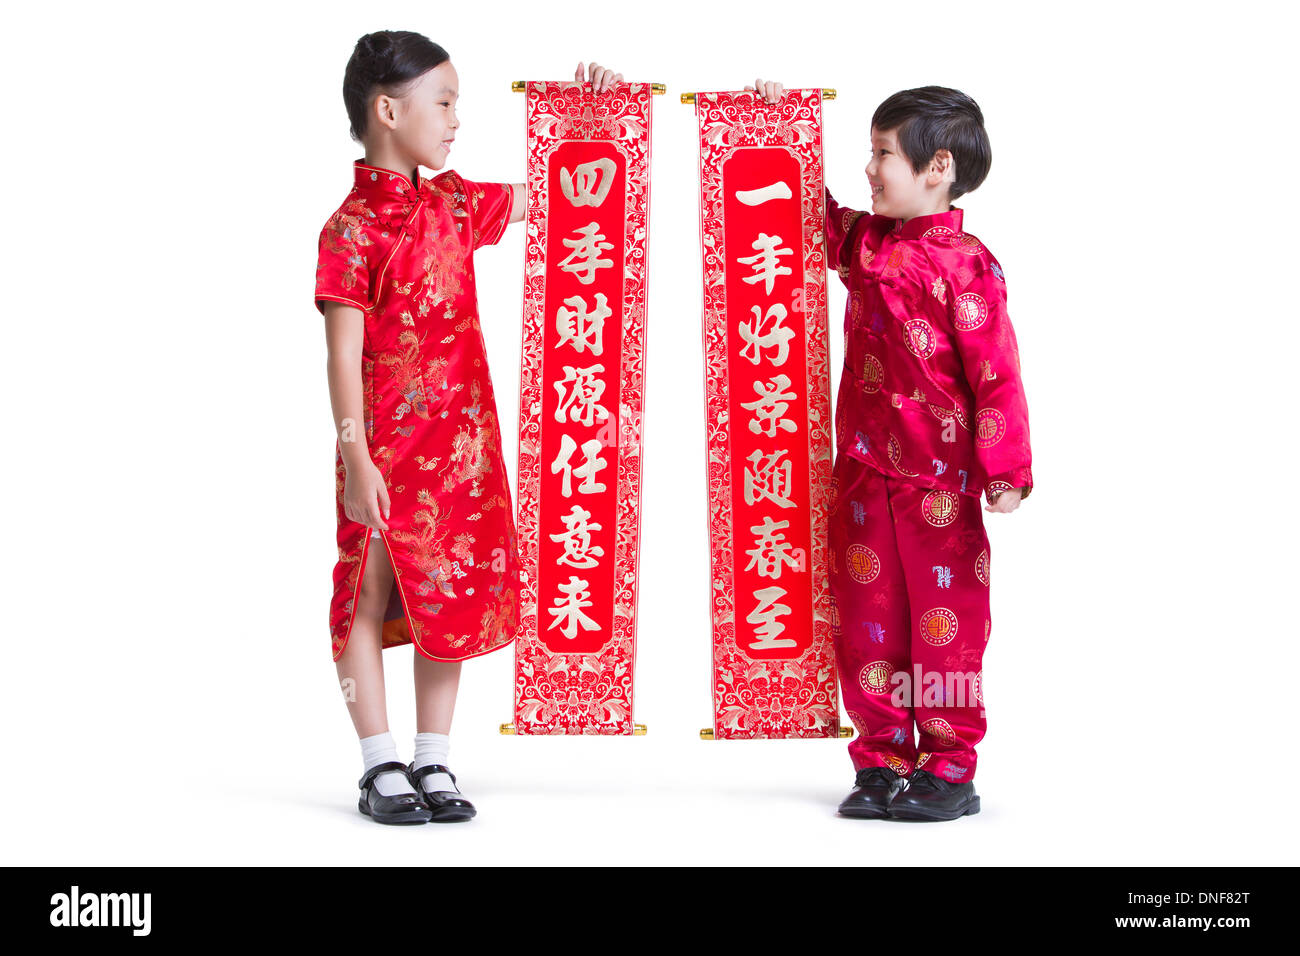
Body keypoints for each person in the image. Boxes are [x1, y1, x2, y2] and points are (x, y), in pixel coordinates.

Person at [315, 30, 623, 824]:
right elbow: (342, 357)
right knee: (371, 587)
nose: (455, 121)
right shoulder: (351, 230)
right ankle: (378, 761)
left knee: (444, 600)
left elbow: (561, 192)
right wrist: (356, 461)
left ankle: (434, 758)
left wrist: (593, 114)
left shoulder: (452, 202)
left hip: (463, 450)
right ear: (389, 109)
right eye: (443, 102)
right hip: (386, 448)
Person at [746, 79, 1033, 821]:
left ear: (937, 168)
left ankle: (948, 766)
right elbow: (800, 208)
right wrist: (772, 119)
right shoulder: (863, 243)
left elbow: (997, 374)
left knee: (946, 629)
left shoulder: (968, 264)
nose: (869, 170)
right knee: (866, 620)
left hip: (941, 486)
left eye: (882, 155)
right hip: (864, 476)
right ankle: (878, 759)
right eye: (869, 153)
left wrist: (1007, 470)